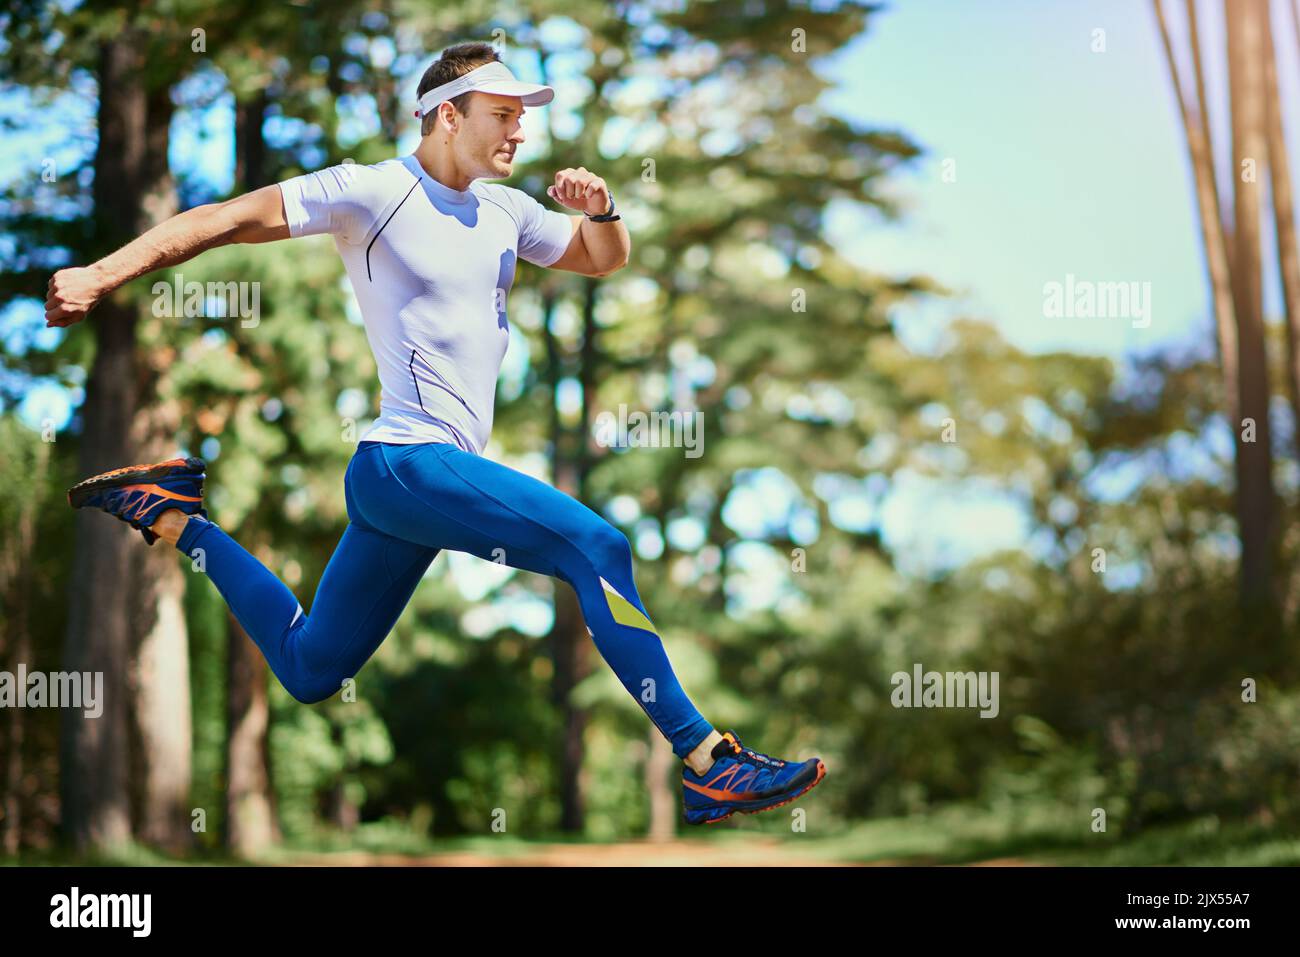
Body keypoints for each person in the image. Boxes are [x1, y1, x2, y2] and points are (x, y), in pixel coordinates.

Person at [48, 42, 824, 826]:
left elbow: (601, 259)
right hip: (407, 463)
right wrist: (101, 274)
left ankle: (176, 515)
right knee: (598, 548)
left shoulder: (506, 210)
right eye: (503, 116)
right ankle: (707, 760)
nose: (518, 133)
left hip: (414, 486)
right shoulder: (373, 190)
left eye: (522, 118)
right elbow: (222, 220)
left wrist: (603, 212)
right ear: (446, 115)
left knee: (314, 666)